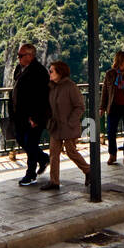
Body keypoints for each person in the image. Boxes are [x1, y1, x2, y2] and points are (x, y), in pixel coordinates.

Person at [38, 61, 90, 190]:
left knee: (71, 152)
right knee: (53, 153)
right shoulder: (52, 87)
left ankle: (89, 171)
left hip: (68, 126)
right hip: (56, 126)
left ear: (60, 73)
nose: (49, 73)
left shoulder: (70, 87)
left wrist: (70, 121)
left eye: (52, 71)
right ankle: (54, 181)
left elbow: (80, 107)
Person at [10, 43, 52, 186]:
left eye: (21, 55)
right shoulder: (19, 69)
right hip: (20, 115)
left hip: (34, 116)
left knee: (30, 142)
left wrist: (35, 117)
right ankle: (43, 158)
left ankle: (31, 174)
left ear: (30, 56)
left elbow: (42, 97)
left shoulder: (39, 71)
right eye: (18, 55)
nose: (18, 58)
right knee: (21, 139)